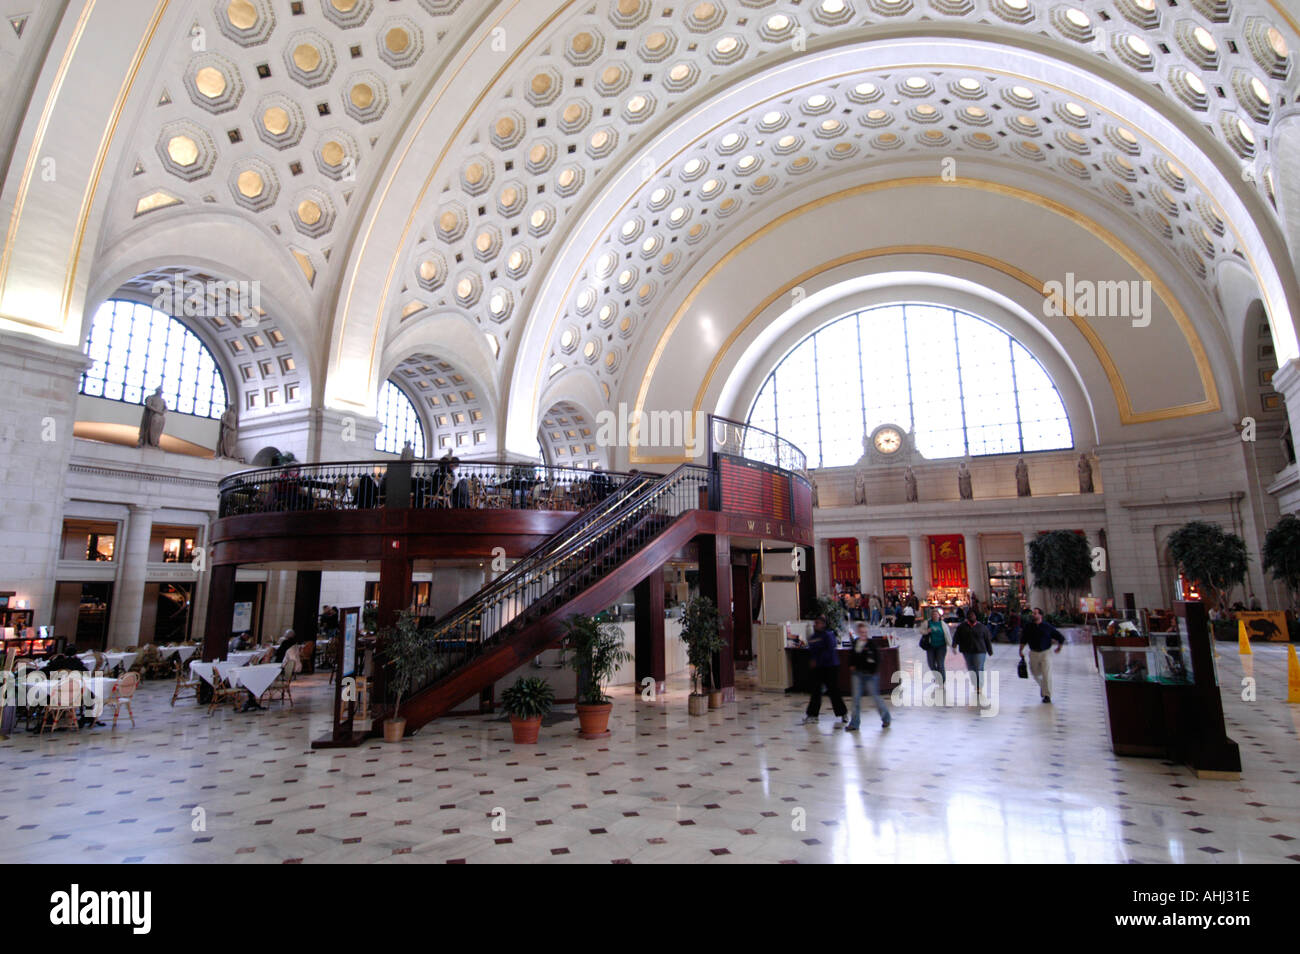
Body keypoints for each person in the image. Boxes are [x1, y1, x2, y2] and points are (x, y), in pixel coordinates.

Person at [800, 616, 848, 726]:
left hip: (830, 666)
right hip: (818, 668)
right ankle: (812, 715)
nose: (816, 625)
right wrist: (813, 661)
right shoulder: (813, 637)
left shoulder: (828, 635)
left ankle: (843, 713)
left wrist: (817, 660)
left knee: (833, 691)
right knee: (816, 691)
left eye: (818, 623)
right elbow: (812, 650)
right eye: (815, 623)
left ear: (823, 624)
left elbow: (830, 650)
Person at [846, 622, 890, 731]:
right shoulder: (856, 642)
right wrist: (851, 665)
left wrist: (873, 671)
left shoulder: (871, 644)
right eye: (861, 632)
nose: (863, 634)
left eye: (865, 632)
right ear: (857, 632)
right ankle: (854, 723)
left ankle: (886, 718)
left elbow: (877, 659)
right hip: (857, 674)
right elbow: (852, 656)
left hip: (870, 675)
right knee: (856, 699)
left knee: (875, 697)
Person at [1019, 607, 1065, 703]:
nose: (1033, 615)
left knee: (1046, 674)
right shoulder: (1028, 627)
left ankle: (1047, 695)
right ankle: (1044, 687)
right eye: (1033, 613)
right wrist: (1021, 650)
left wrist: (1059, 647)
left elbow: (1060, 637)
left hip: (1045, 653)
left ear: (1040, 615)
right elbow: (1023, 639)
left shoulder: (1047, 627)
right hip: (1033, 653)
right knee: (1034, 673)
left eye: (1035, 613)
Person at [952, 609, 994, 698]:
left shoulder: (982, 627)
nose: (972, 617)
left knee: (979, 667)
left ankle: (980, 685)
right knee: (971, 668)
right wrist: (954, 645)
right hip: (967, 651)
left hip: (980, 651)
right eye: (970, 616)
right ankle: (975, 684)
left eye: (973, 615)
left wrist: (990, 650)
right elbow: (957, 637)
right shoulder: (962, 627)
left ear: (975, 617)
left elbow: (987, 639)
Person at [921, 608, 949, 689]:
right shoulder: (928, 623)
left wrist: (951, 644)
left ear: (939, 615)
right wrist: (927, 631)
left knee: (940, 664)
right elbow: (920, 631)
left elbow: (947, 634)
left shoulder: (942, 624)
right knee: (931, 664)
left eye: (936, 614)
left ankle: (942, 681)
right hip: (930, 646)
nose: (935, 616)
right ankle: (937, 676)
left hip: (941, 646)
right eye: (933, 614)